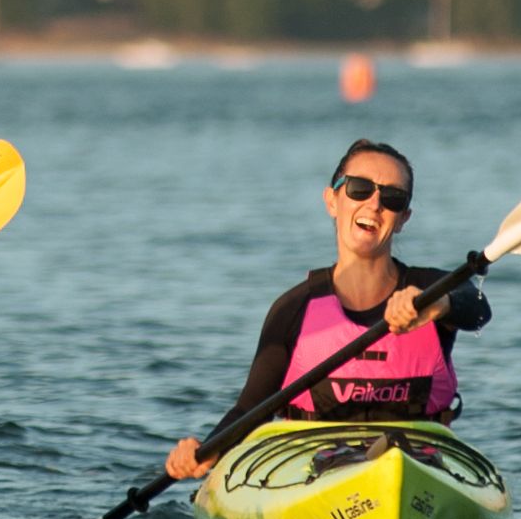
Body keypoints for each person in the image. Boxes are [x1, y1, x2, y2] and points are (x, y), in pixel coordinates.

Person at [161, 138, 491, 482]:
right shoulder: (294, 309)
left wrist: (438, 305)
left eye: (393, 198)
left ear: (404, 217)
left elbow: (478, 309)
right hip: (314, 476)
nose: (375, 204)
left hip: (420, 468)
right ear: (332, 200)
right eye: (359, 189)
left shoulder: (430, 288)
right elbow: (250, 410)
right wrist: (206, 452)